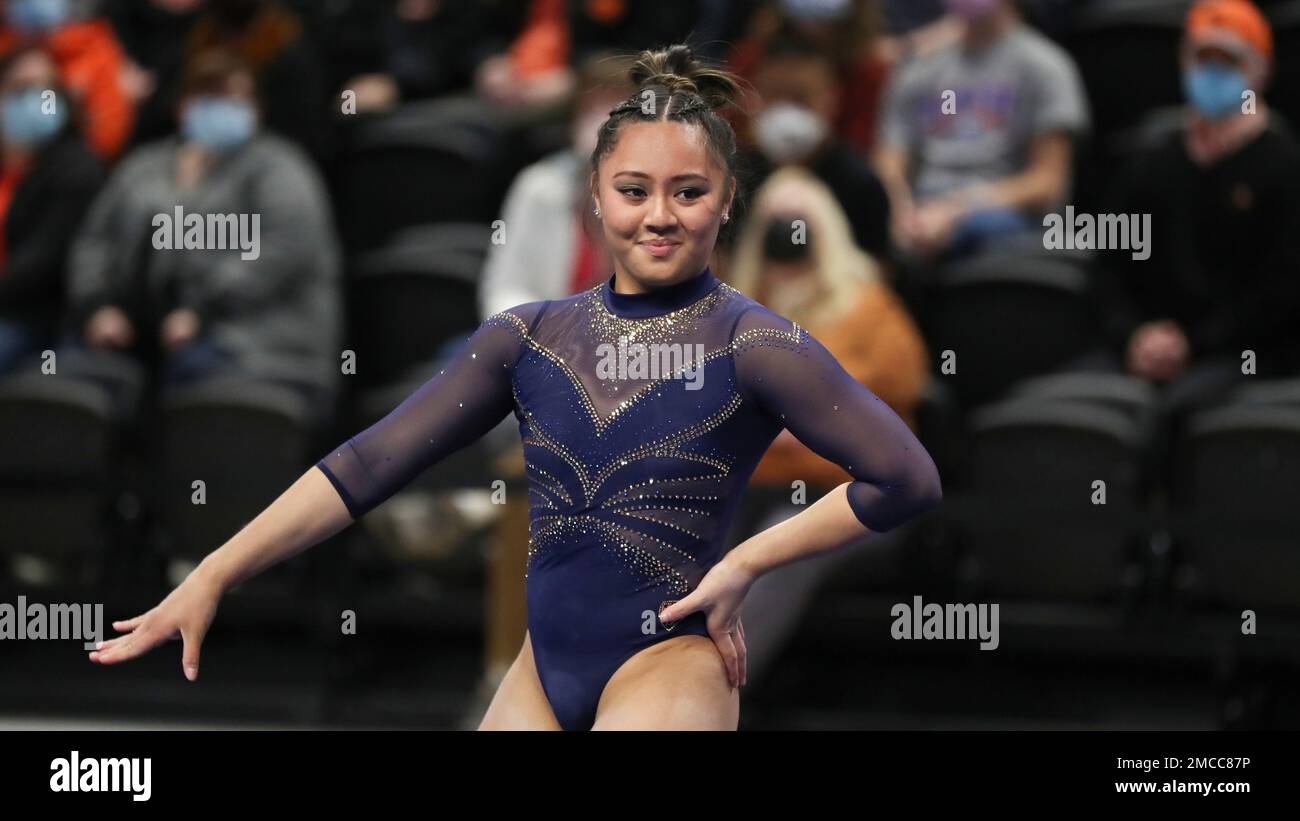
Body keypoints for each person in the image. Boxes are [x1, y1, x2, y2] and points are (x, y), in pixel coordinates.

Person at [87, 44, 942, 731]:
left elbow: (906, 476)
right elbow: (366, 465)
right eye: (634, 190)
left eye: (690, 192)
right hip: (543, 670)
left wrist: (746, 563)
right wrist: (212, 575)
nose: (660, 215)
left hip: (670, 666)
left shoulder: (753, 341)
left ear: (725, 203)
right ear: (595, 201)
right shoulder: (529, 337)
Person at [724, 165, 929, 685]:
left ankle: (704, 701)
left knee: (778, 546)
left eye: (800, 221)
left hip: (849, 498)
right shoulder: (729, 307)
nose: (787, 234)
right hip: (744, 494)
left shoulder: (868, 306)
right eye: (775, 220)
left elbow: (897, 387)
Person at [873, 0, 1088, 260]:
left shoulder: (1047, 67)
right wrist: (898, 211)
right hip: (924, 206)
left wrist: (959, 209)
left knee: (975, 231)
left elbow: (1047, 183)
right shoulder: (920, 70)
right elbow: (889, 162)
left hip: (1002, 210)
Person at [0, 44, 102, 374]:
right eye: (19, 89)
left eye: (44, 89)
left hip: (44, 321)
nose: (33, 100)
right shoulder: (17, 165)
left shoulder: (76, 169)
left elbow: (40, 264)